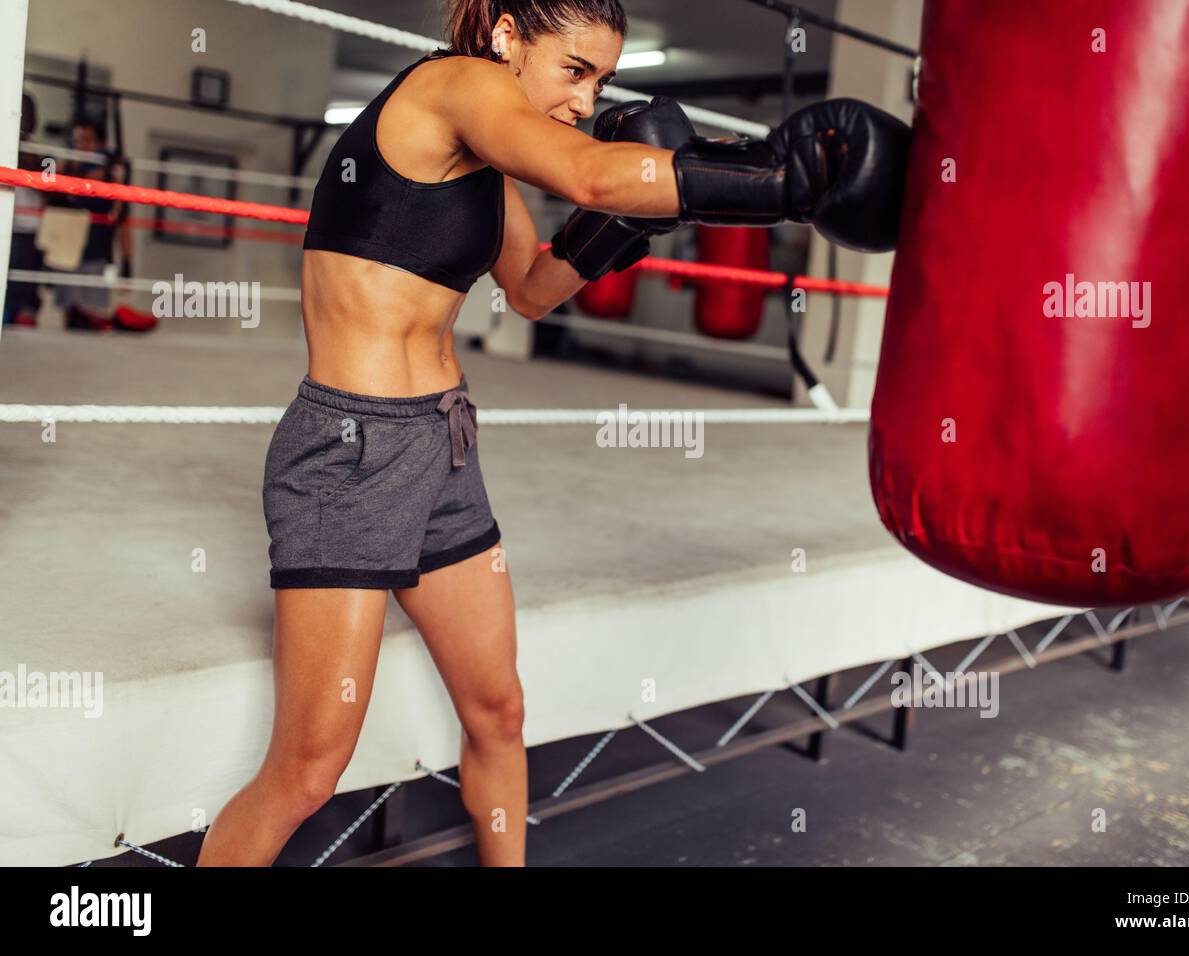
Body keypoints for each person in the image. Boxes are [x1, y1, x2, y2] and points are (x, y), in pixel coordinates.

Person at [197, 0, 907, 867]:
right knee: (308, 771)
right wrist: (776, 183)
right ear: (503, 36)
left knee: (500, 716)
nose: (586, 98)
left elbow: (532, 288)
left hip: (444, 448)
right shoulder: (451, 85)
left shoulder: (486, 160)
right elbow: (592, 175)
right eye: (575, 71)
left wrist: (625, 229)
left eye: (602, 79)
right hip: (353, 452)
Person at [47, 118, 133, 331]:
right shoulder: (65, 165)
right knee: (69, 316)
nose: (81, 145)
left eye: (87, 140)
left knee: (92, 315)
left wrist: (127, 263)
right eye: (77, 140)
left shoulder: (111, 170)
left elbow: (122, 218)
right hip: (66, 250)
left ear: (99, 144)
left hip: (96, 251)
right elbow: (50, 193)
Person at [3, 93, 45, 327]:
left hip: (29, 229)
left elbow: (51, 184)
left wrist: (33, 163)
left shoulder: (40, 153)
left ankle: (20, 316)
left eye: (27, 113)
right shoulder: (4, 144)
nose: (24, 119)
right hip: (7, 222)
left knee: (24, 283)